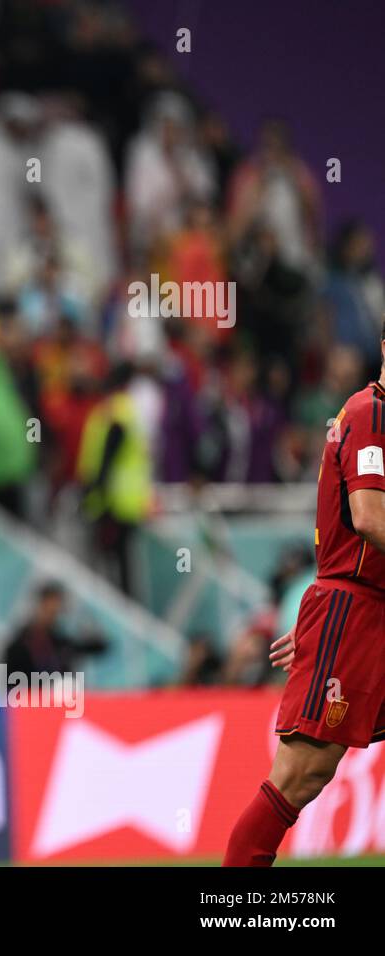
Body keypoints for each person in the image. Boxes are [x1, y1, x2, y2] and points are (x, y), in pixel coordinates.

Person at [224, 321, 385, 866]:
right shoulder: (371, 414)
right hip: (357, 607)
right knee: (301, 775)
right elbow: (368, 519)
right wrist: (333, 623)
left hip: (367, 609)